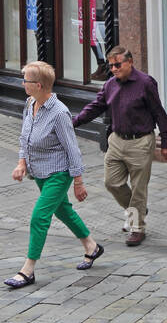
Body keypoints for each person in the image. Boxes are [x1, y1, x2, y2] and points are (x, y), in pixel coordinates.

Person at [5, 61, 103, 289]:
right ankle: (91, 246)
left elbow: (73, 149)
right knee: (63, 211)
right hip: (39, 171)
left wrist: (78, 181)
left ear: (38, 85)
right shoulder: (30, 103)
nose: (22, 84)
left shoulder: (59, 113)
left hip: (59, 173)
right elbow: (24, 137)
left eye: (26, 80)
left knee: (39, 216)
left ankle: (27, 270)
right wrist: (21, 163)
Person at [72, 45, 167, 245]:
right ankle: (139, 210)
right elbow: (96, 106)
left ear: (130, 62)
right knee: (112, 183)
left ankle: (137, 228)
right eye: (111, 66)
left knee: (138, 189)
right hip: (117, 140)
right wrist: (73, 122)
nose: (114, 69)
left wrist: (166, 140)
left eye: (118, 64)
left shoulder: (145, 83)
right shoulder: (110, 84)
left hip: (141, 141)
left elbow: (158, 111)